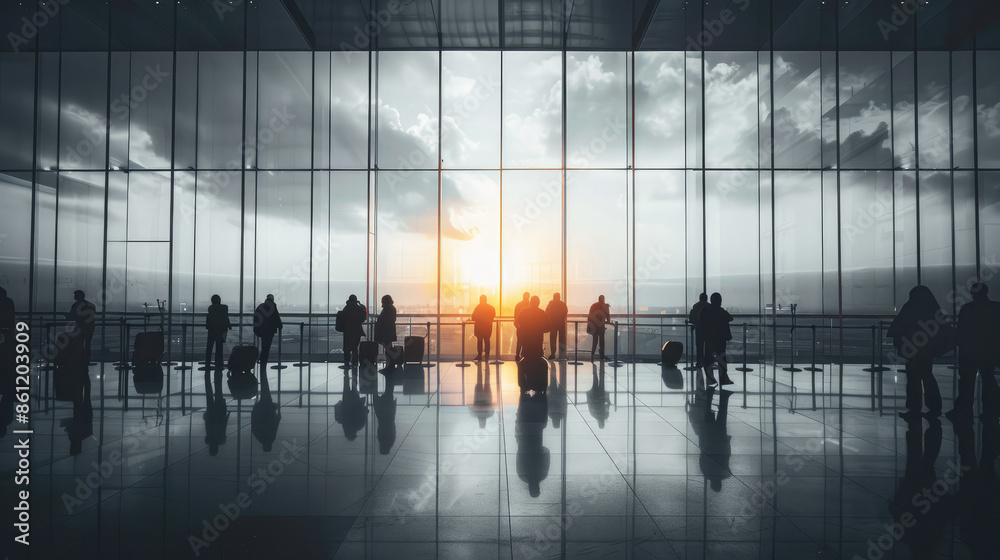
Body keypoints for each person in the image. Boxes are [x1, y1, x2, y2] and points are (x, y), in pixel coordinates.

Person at [888, 285, 946, 420]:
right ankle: (934, 407)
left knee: (913, 379)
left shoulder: (909, 307)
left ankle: (914, 408)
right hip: (927, 350)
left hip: (911, 350)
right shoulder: (932, 310)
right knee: (927, 377)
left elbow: (898, 327)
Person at [947, 283, 1000, 420]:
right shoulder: (996, 308)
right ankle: (991, 410)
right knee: (988, 379)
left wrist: (961, 344)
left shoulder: (967, 309)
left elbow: (962, 331)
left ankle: (964, 410)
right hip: (989, 351)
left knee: (966, 382)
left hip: (970, 351)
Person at [698, 292, 734, 386]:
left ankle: (710, 378)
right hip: (720, 339)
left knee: (709, 359)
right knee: (721, 359)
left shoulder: (705, 310)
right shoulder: (720, 311)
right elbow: (730, 318)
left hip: (709, 338)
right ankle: (723, 378)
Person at [66, 289, 97, 363]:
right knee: (88, 343)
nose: (74, 297)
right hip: (90, 326)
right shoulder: (91, 305)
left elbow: (71, 317)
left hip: (80, 327)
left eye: (75, 295)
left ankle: (80, 359)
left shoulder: (75, 305)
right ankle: (86, 360)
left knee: (79, 343)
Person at [253, 294, 283, 368]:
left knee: (263, 346)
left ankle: (261, 360)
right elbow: (276, 317)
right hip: (269, 331)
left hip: (261, 330)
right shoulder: (273, 306)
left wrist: (256, 329)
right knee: (266, 348)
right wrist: (280, 326)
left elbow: (256, 318)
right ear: (272, 299)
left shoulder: (260, 306)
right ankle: (264, 362)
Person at [516, 296, 549, 360]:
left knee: (526, 359)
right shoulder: (542, 313)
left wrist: (522, 329)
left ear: (530, 302)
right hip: (538, 341)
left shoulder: (524, 311)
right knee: (537, 358)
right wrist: (540, 330)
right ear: (538, 303)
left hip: (526, 340)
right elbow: (548, 327)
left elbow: (517, 323)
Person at [205, 295, 231, 372]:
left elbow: (209, 318)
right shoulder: (224, 308)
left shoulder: (211, 308)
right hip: (221, 330)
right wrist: (229, 325)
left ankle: (208, 362)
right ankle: (219, 363)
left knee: (209, 347)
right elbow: (226, 318)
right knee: (219, 348)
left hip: (212, 330)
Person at [341, 295, 368, 367]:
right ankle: (354, 363)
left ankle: (346, 362)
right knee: (355, 348)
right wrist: (361, 305)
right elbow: (363, 317)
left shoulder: (346, 308)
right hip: (356, 330)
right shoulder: (358, 309)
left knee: (347, 348)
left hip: (347, 331)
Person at [374, 295, 399, 367]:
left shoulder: (388, 309)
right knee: (388, 348)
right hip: (389, 331)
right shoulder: (391, 308)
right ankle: (390, 364)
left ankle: (389, 364)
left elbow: (385, 320)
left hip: (386, 332)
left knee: (388, 348)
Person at [471, 295, 496, 362]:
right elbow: (493, 316)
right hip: (488, 327)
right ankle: (487, 356)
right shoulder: (491, 307)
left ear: (480, 299)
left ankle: (479, 355)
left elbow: (473, 317)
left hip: (480, 327)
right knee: (487, 341)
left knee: (480, 341)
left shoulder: (478, 307)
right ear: (486, 299)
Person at [587, 295, 611, 361]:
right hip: (600, 326)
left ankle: (592, 354)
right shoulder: (605, 306)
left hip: (594, 326)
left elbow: (590, 316)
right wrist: (608, 321)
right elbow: (607, 315)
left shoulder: (593, 305)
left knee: (595, 341)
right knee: (601, 341)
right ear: (603, 299)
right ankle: (602, 355)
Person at [545, 293, 568, 360]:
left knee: (552, 339)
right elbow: (565, 312)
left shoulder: (551, 304)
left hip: (553, 324)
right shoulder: (562, 304)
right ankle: (562, 354)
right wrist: (561, 318)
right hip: (561, 324)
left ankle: (553, 354)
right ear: (559, 297)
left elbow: (547, 311)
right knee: (562, 339)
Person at [689, 293, 709, 366]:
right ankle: (707, 361)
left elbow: (691, 317)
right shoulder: (708, 306)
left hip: (698, 328)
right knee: (708, 346)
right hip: (708, 329)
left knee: (699, 346)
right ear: (706, 298)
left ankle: (699, 361)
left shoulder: (695, 306)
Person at [513, 292, 530, 359]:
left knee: (520, 340)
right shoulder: (529, 306)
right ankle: (524, 355)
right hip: (527, 326)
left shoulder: (519, 305)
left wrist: (517, 324)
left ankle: (518, 355)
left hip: (520, 326)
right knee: (526, 341)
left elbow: (515, 315)